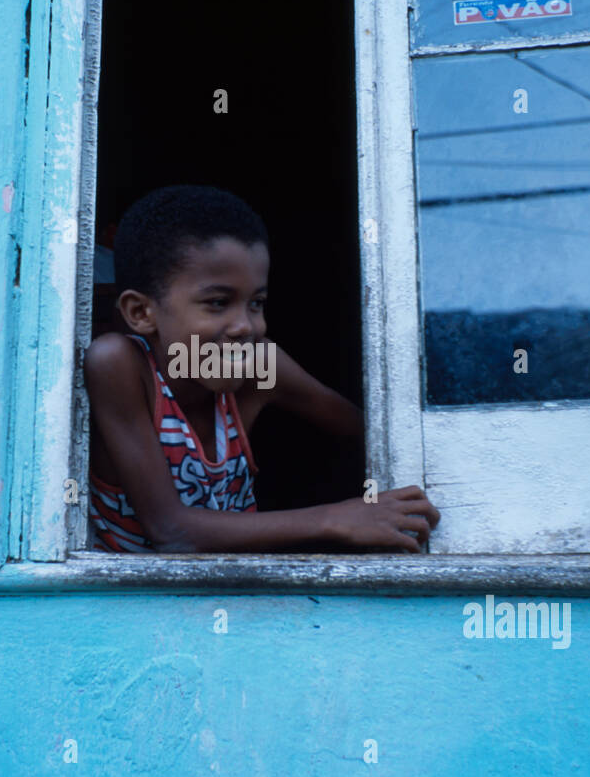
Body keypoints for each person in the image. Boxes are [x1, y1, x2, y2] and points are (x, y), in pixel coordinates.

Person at [84, 184, 440, 553]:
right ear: (142, 313)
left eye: (256, 303)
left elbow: (378, 435)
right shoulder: (120, 365)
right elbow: (172, 531)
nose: (248, 327)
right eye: (218, 302)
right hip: (135, 603)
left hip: (238, 597)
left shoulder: (258, 367)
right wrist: (337, 519)